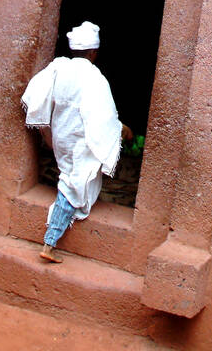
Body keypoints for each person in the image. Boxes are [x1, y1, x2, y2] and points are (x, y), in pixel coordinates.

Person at [21, 21, 133, 262]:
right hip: (82, 140)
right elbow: (103, 115)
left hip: (62, 136)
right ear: (94, 52)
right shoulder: (95, 78)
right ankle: (50, 243)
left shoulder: (59, 68)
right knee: (73, 185)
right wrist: (120, 128)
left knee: (70, 177)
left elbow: (34, 93)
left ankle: (54, 233)